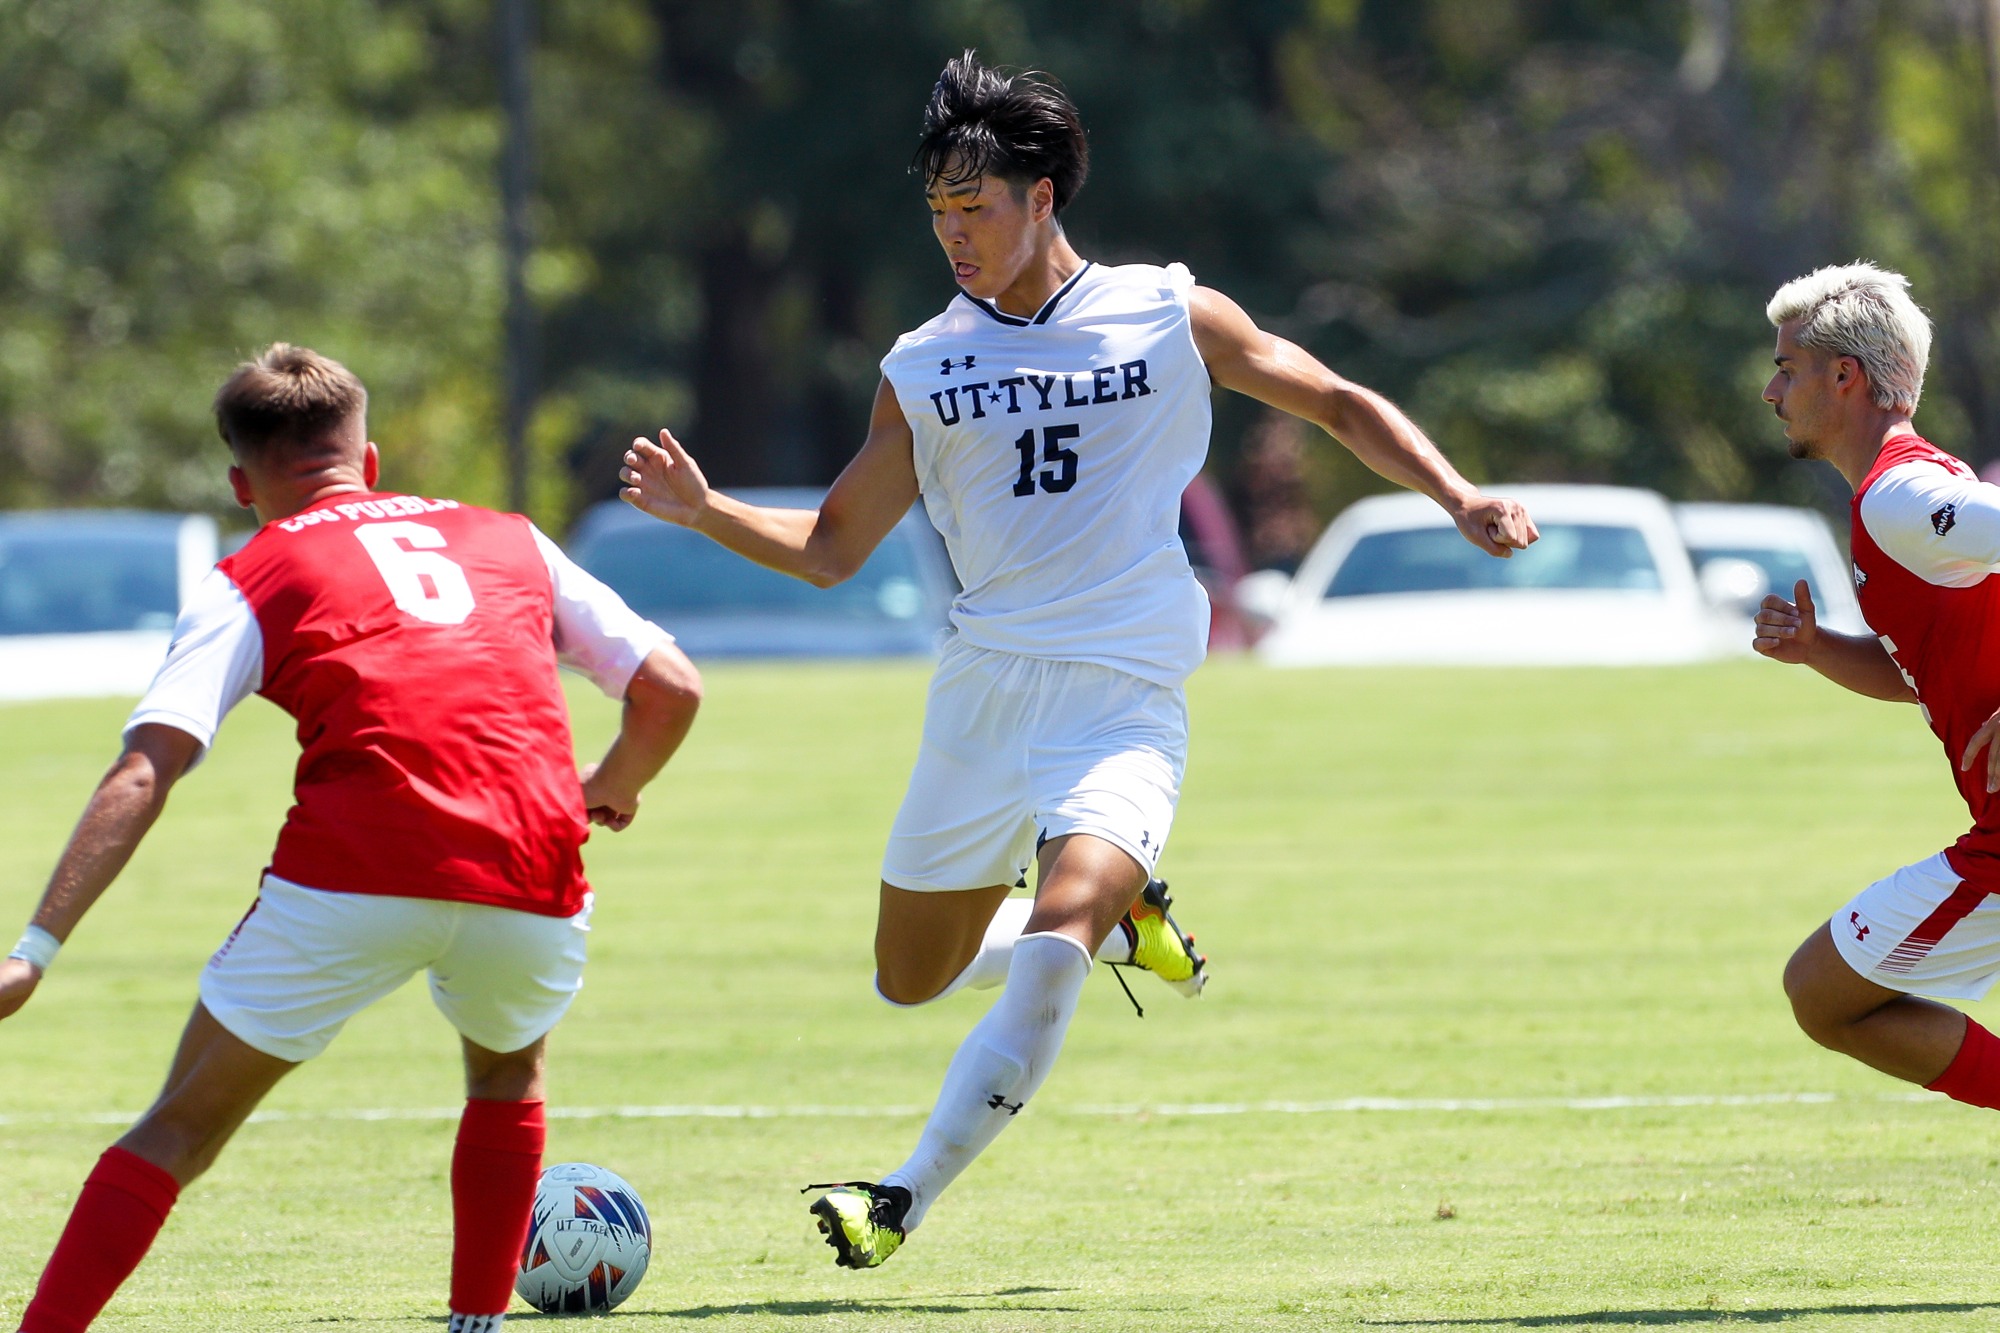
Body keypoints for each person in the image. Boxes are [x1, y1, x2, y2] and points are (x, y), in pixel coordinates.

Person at [619, 52, 1535, 1270]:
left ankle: (899, 1196)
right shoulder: (921, 366)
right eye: (937, 212)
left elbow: (1332, 399)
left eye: (976, 207)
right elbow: (834, 547)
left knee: (1052, 929)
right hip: (983, 699)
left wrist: (1454, 490)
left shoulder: (1165, 311)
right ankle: (1116, 923)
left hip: (1121, 698)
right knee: (908, 977)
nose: (953, 233)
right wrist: (705, 510)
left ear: (1041, 196)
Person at [1, 345, 702, 1333]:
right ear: (366, 462)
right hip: (531, 863)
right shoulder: (507, 538)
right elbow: (671, 687)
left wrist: (34, 951)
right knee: (506, 1075)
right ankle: (475, 1325)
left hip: (355, 872)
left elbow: (147, 767)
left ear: (244, 484)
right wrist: (608, 786)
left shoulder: (251, 569)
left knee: (183, 1124)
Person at [1759, 263, 2000, 1117]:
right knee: (1820, 991)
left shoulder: (1901, 494)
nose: (1770, 389)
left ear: (1844, 377)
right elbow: (1929, 667)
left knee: (1823, 992)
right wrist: (1823, 648)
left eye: (1787, 367)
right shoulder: (1897, 494)